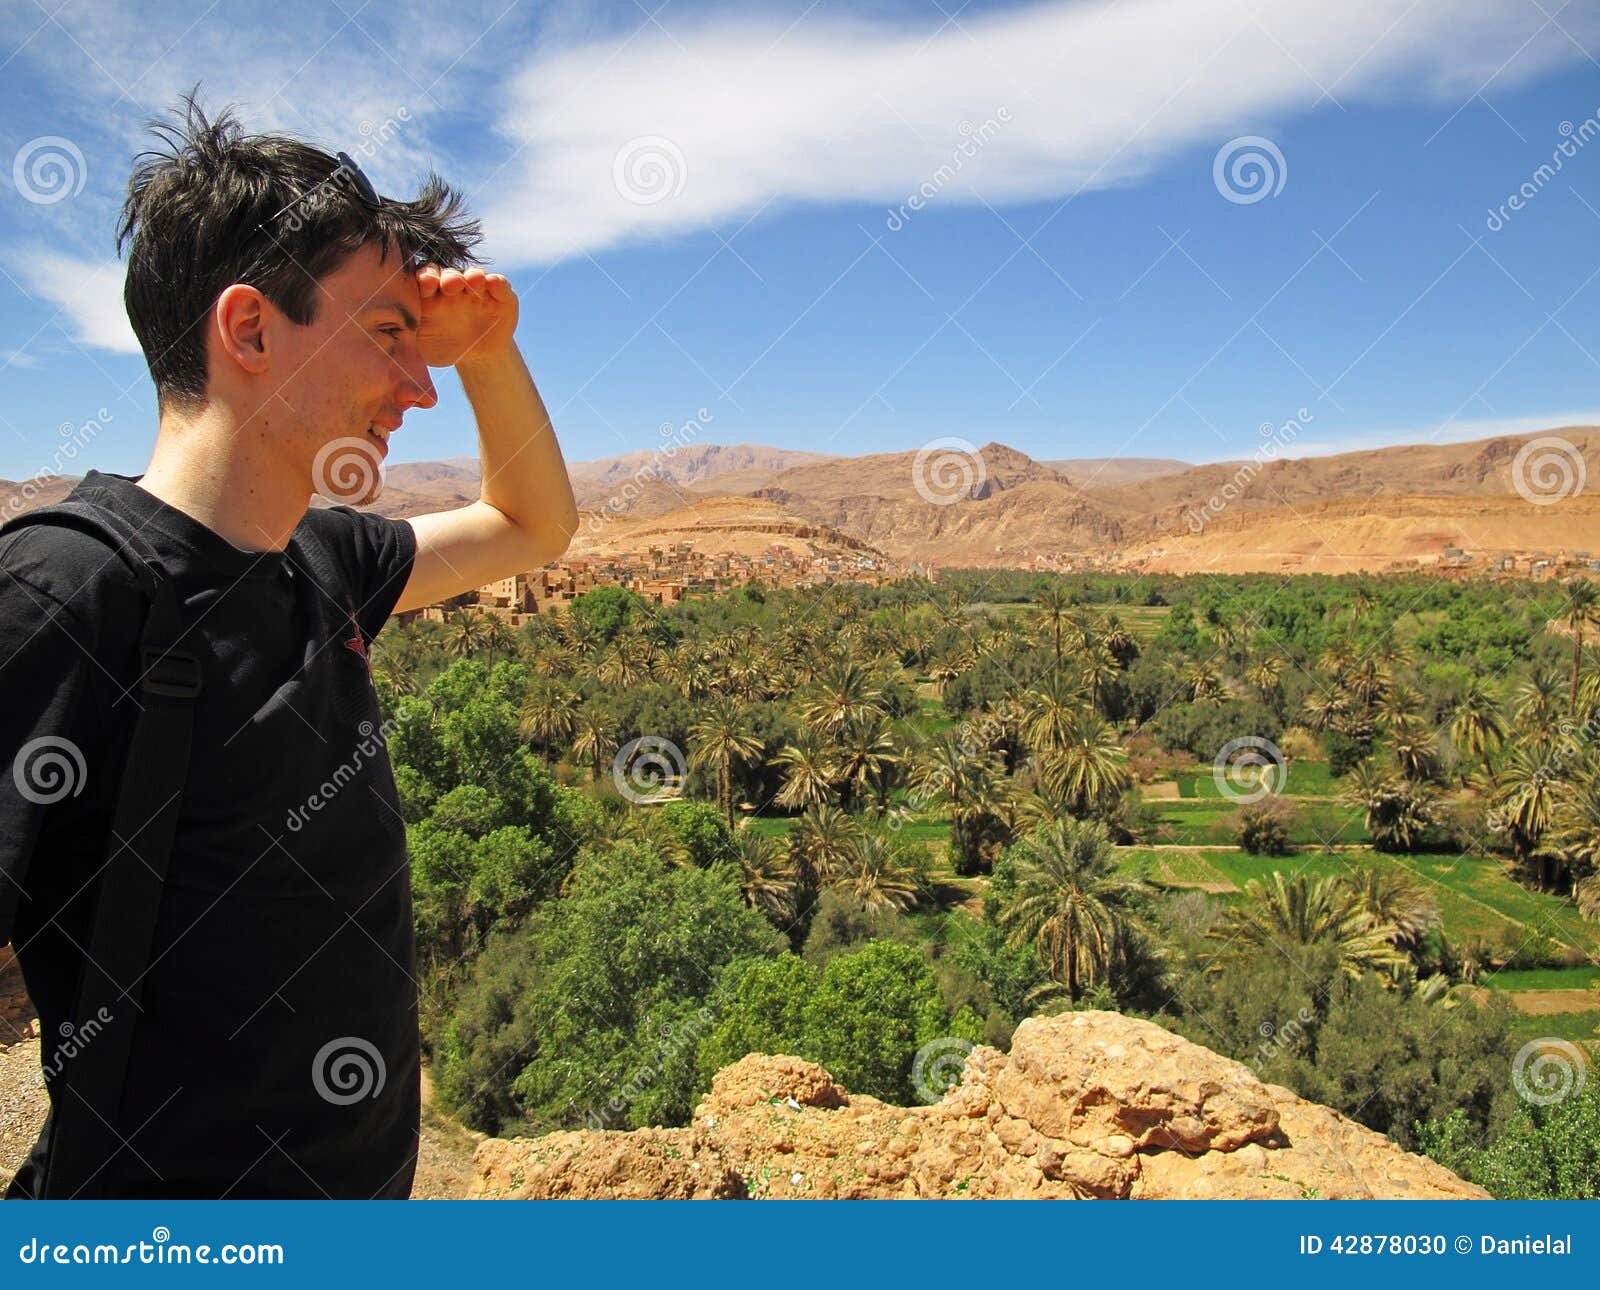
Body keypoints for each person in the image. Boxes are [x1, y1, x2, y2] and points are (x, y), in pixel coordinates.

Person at [0, 94, 576, 1198]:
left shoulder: (324, 560)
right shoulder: (65, 592)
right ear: (252, 331)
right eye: (390, 335)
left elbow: (530, 526)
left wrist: (487, 352)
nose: (419, 387)